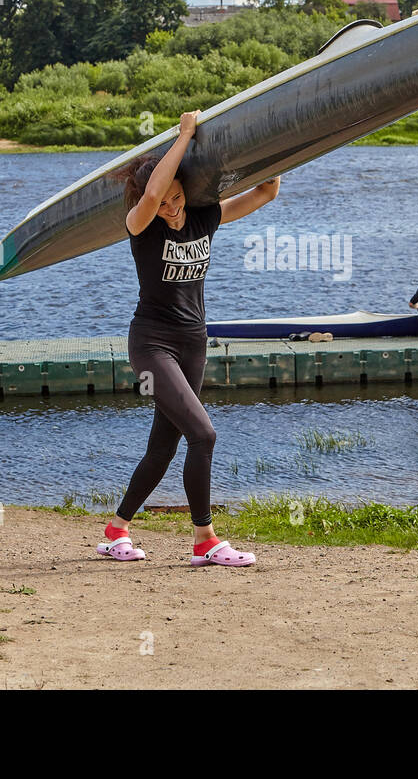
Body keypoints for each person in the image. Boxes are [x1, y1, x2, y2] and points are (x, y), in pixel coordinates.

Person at [99, 110, 280, 567]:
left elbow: (267, 190)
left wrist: (280, 139)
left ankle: (116, 530)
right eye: (163, 201)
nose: (172, 207)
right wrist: (183, 137)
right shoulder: (140, 225)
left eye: (178, 198)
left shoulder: (204, 218)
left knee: (164, 446)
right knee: (203, 434)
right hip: (152, 345)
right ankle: (205, 540)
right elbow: (155, 188)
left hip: (193, 342)